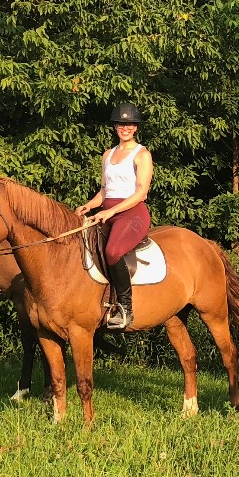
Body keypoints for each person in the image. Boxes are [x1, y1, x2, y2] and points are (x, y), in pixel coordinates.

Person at [76, 102, 154, 329]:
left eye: (129, 124)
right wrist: (88, 206)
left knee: (112, 251)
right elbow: (104, 190)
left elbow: (141, 193)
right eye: (121, 124)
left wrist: (110, 211)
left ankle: (125, 308)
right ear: (115, 127)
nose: (125, 128)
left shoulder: (142, 154)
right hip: (107, 211)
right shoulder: (107, 155)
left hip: (132, 213)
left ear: (136, 128)